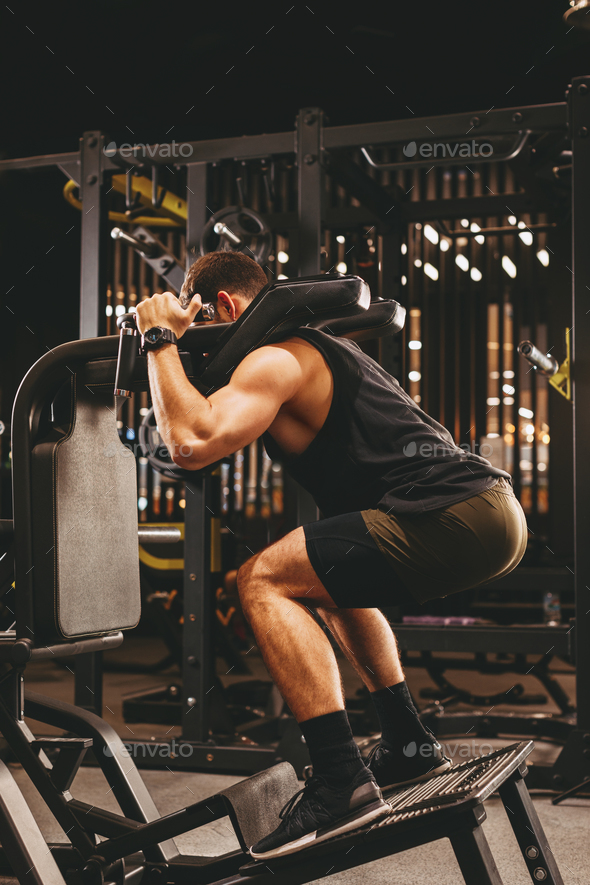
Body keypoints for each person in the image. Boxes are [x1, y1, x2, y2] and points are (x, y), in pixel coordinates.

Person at [135, 251, 527, 860]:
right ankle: (404, 739)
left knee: (260, 579)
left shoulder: (274, 358)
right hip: (488, 511)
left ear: (225, 309)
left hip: (458, 515)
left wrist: (159, 337)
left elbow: (191, 443)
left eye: (201, 323)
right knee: (324, 580)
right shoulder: (316, 352)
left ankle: (340, 778)